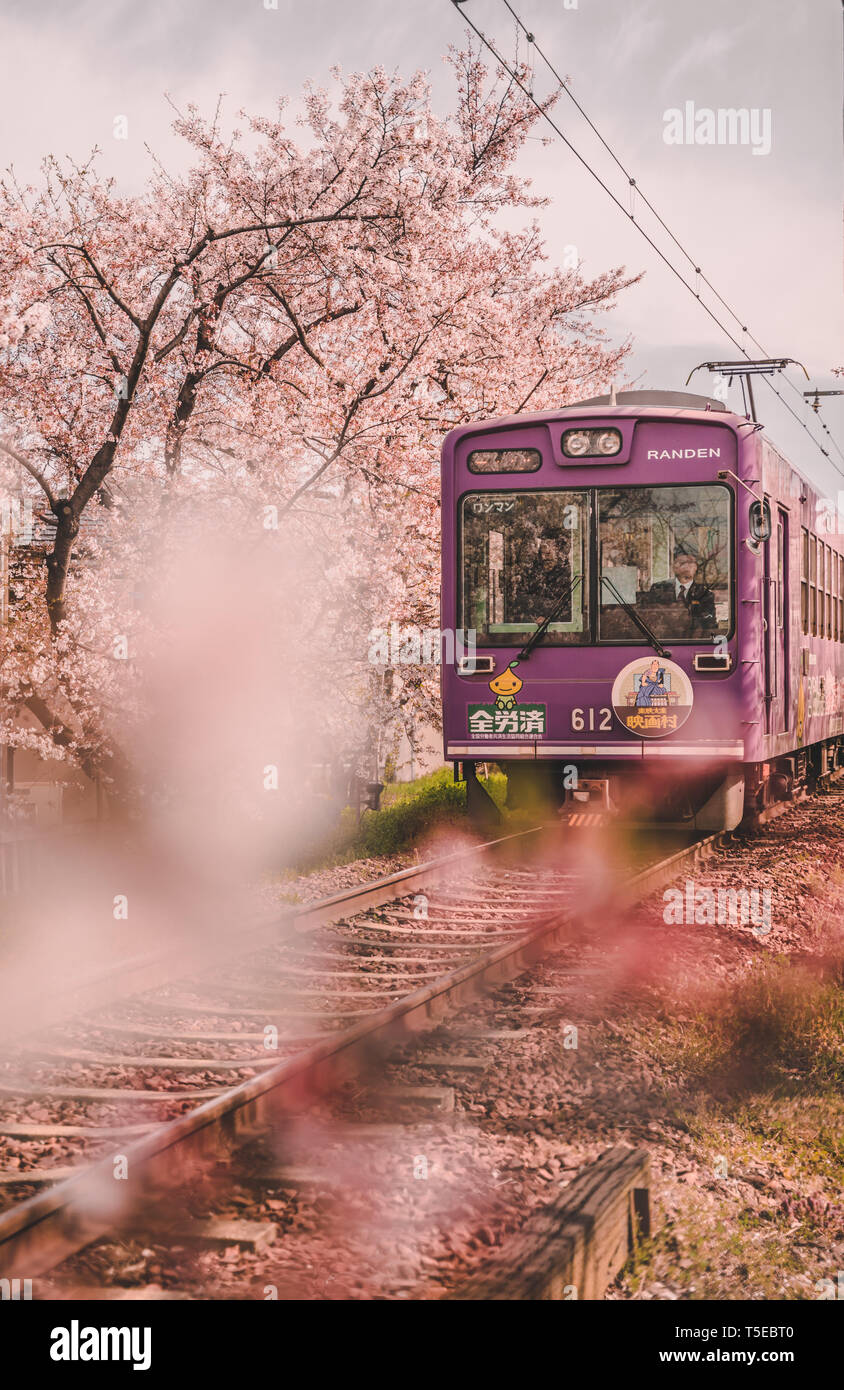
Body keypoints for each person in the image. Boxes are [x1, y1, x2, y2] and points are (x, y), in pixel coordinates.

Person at [648, 545, 717, 636]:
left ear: (696, 567)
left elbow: (709, 626)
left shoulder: (704, 594)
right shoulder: (658, 589)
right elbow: (650, 620)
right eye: (681, 562)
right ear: (673, 566)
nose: (686, 566)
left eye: (690, 562)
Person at [509, 533, 571, 626]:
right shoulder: (532, 572)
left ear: (558, 554)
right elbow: (520, 598)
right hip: (529, 626)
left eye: (547, 554)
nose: (543, 557)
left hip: (557, 628)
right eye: (541, 553)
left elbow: (567, 606)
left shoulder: (567, 574)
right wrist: (534, 617)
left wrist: (550, 618)